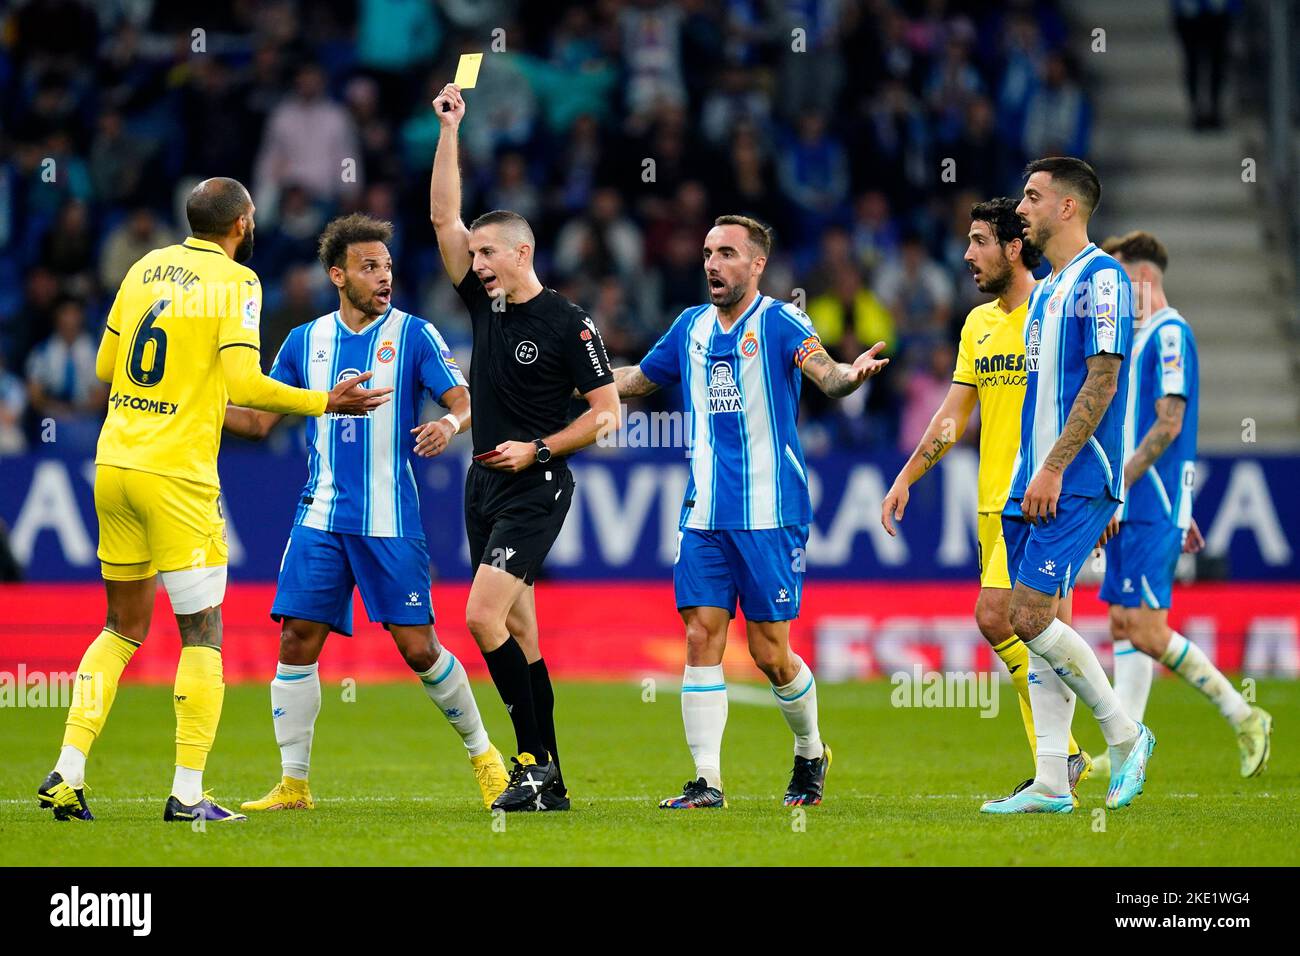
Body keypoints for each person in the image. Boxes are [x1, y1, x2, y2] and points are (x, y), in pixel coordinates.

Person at [36, 177, 388, 823]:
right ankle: (189, 795)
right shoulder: (238, 283)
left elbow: (106, 369)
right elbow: (245, 381)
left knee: (120, 628)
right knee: (203, 635)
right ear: (243, 224)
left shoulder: (144, 266)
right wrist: (323, 401)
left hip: (114, 464)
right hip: (176, 477)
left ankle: (68, 769)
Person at [222, 213, 510, 813]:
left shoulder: (415, 335)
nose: (384, 277)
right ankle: (294, 784)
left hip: (389, 520)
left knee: (418, 647)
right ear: (337, 274)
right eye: (368, 266)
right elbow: (256, 421)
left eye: (386, 266)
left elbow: (464, 401)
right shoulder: (304, 342)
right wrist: (190, 401)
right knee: (297, 640)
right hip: (321, 516)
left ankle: (486, 759)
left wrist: (448, 423)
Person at [612, 215, 889, 809]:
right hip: (704, 514)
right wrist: (571, 379)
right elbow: (636, 380)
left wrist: (850, 376)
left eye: (728, 254)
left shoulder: (783, 322)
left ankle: (811, 751)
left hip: (770, 513)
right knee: (700, 633)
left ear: (757, 265)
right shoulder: (688, 327)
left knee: (768, 651)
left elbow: (828, 376)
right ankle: (707, 781)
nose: (712, 264)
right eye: (709, 252)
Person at [428, 82, 622, 812]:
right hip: (484, 485)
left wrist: (538, 450)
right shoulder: (484, 302)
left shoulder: (569, 324)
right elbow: (444, 213)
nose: (474, 263)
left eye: (486, 253)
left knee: (480, 618)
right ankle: (552, 783)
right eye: (472, 253)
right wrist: (450, 129)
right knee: (521, 634)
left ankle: (530, 761)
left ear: (521, 252)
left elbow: (605, 417)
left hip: (536, 486)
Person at [882, 198, 1092, 800]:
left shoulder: (1054, 311)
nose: (968, 255)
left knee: (1003, 616)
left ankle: (1092, 744)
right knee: (1038, 628)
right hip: (994, 503)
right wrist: (907, 477)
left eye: (979, 241)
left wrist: (1095, 491)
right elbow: (953, 416)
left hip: (1046, 497)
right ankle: (1060, 765)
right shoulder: (978, 324)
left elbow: (1094, 398)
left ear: (1013, 246)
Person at [981, 157, 1151, 815]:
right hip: (1036, 478)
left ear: (1067, 208)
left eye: (1031, 196)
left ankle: (1126, 735)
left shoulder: (1102, 279)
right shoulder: (1047, 288)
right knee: (1035, 625)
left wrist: (1053, 465)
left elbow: (1103, 377)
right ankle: (1053, 780)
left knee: (1028, 614)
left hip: (1075, 476)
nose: (1019, 207)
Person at [1095, 230, 1271, 779]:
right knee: (1124, 623)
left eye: (1121, 282)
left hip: (1147, 500)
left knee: (1146, 627)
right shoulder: (1142, 336)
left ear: (1142, 278)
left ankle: (1244, 715)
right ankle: (1126, 747)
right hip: (1142, 499)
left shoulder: (1171, 334)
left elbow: (1169, 423)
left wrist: (1126, 489)